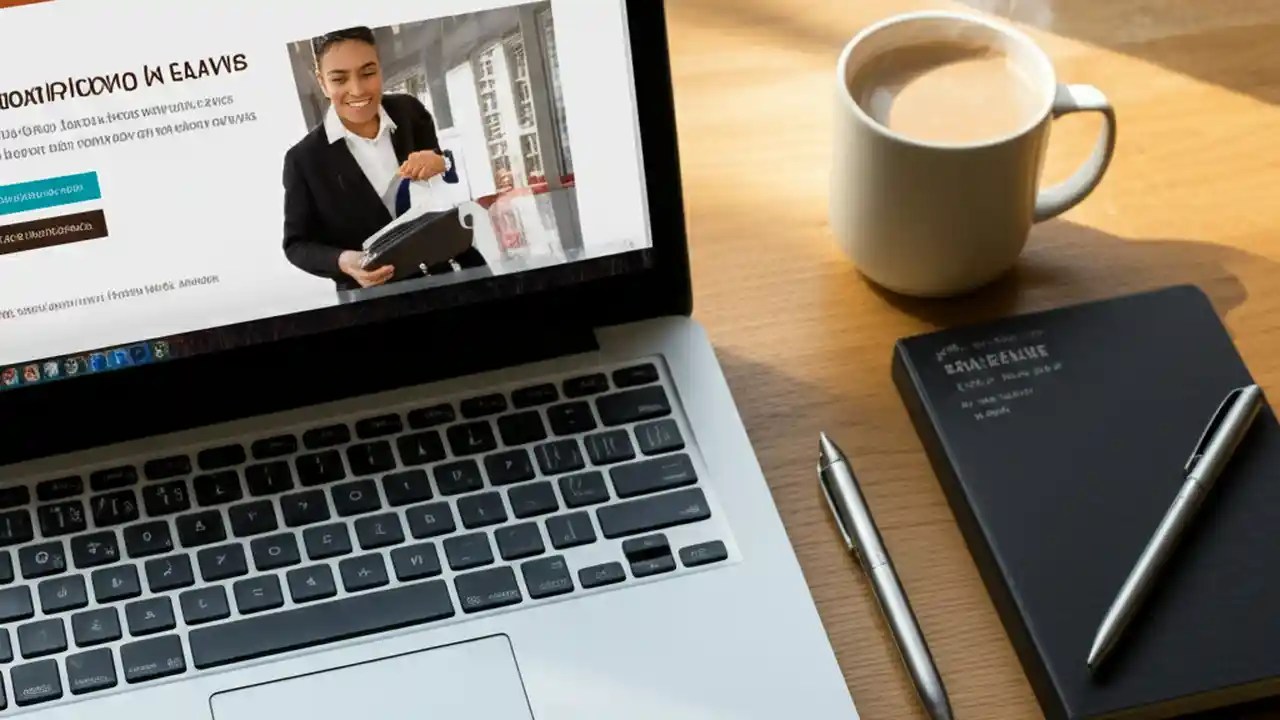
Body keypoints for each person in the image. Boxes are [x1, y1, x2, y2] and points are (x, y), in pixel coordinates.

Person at [282, 26, 488, 291]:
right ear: (322, 82)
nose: (357, 90)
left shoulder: (410, 111)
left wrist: (442, 162)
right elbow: (296, 245)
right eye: (339, 79)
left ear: (380, 68)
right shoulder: (304, 160)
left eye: (368, 73)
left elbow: (447, 180)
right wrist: (343, 261)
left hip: (457, 270)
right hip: (379, 297)